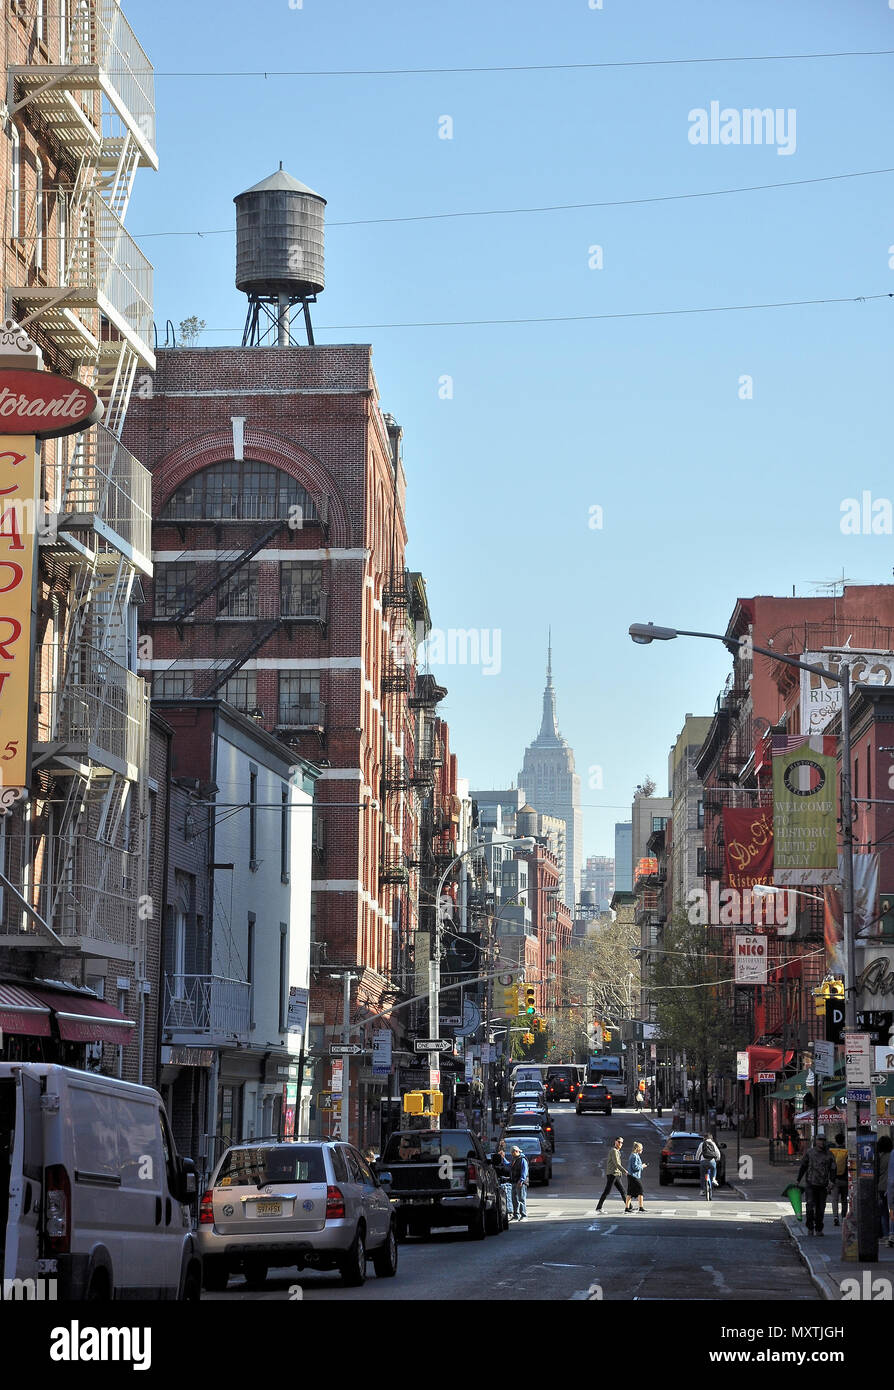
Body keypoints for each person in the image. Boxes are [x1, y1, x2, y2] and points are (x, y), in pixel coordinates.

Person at [796, 1134, 837, 1236]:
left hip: (823, 1185)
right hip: (810, 1183)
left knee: (820, 1208)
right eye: (820, 1140)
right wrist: (798, 1180)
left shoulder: (829, 1155)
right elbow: (803, 1166)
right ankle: (810, 1227)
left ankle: (819, 1228)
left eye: (823, 1140)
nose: (822, 1142)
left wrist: (832, 1181)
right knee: (810, 1206)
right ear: (816, 1141)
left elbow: (833, 1169)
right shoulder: (810, 1153)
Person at [596, 1136, 630, 1212]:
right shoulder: (614, 1151)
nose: (620, 1143)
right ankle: (598, 1208)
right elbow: (617, 1163)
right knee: (607, 1191)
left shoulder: (616, 1151)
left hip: (616, 1174)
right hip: (613, 1174)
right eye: (619, 1142)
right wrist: (625, 1171)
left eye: (621, 1142)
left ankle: (629, 1207)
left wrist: (621, 1172)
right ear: (615, 1142)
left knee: (622, 1191)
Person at [828, 1131, 848, 1227]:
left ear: (836, 1141)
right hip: (845, 1179)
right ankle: (844, 1216)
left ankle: (835, 1217)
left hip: (834, 1179)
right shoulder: (846, 1151)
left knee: (834, 1199)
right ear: (844, 1141)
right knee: (844, 1199)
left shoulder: (832, 1152)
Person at [491, 1140, 513, 1221]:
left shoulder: (505, 1164)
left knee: (507, 1196)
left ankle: (509, 1211)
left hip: (504, 1183)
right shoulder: (498, 1164)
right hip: (501, 1183)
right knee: (506, 1197)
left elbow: (508, 1170)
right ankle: (508, 1212)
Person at [877, 1135, 893, 1238]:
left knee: (883, 1212)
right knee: (892, 1210)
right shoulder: (892, 1155)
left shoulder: (879, 1157)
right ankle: (892, 1233)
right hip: (891, 1186)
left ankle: (886, 1234)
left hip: (881, 1187)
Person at [510, 1145, 529, 1221]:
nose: (512, 1154)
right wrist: (503, 1158)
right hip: (514, 1181)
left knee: (521, 1199)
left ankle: (524, 1215)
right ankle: (516, 1215)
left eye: (513, 1152)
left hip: (520, 1182)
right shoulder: (515, 1159)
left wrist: (521, 1180)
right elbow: (509, 1165)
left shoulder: (522, 1159)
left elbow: (525, 1171)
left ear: (517, 1151)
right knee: (514, 1199)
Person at [627, 1141, 647, 1211]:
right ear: (638, 1148)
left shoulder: (635, 1155)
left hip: (631, 1176)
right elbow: (635, 1167)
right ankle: (641, 1207)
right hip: (634, 1176)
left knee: (630, 1192)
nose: (642, 1150)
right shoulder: (634, 1156)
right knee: (640, 1190)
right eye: (641, 1148)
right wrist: (642, 1166)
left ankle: (627, 1208)